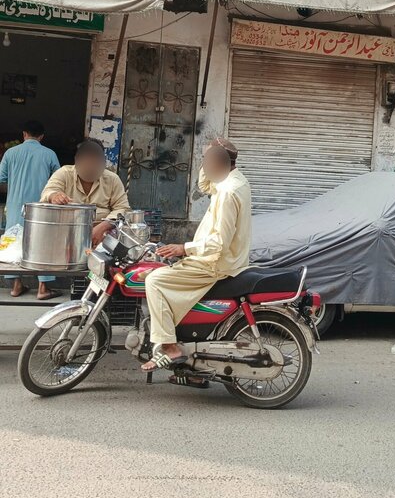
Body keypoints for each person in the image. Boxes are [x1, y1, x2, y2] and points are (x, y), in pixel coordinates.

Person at [141, 137, 252, 373]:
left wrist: (185, 248)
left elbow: (219, 243)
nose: (203, 166)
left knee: (155, 280)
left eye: (206, 161)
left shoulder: (227, 193)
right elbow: (204, 186)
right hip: (226, 259)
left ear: (219, 164)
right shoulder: (233, 180)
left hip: (216, 263)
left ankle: (170, 347)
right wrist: (209, 156)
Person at [0, 121, 60, 300]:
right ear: (41, 136)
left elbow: (2, 177)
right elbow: (58, 180)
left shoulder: (11, 153)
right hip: (41, 207)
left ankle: (16, 286)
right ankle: (43, 287)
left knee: (13, 241)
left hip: (14, 206)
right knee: (44, 244)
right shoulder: (49, 154)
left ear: (24, 134)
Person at [40, 137, 130, 246]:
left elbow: (123, 208)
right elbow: (48, 192)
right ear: (77, 160)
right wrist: (54, 196)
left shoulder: (112, 179)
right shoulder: (64, 173)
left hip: (102, 241)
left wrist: (104, 226)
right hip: (65, 239)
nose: (90, 168)